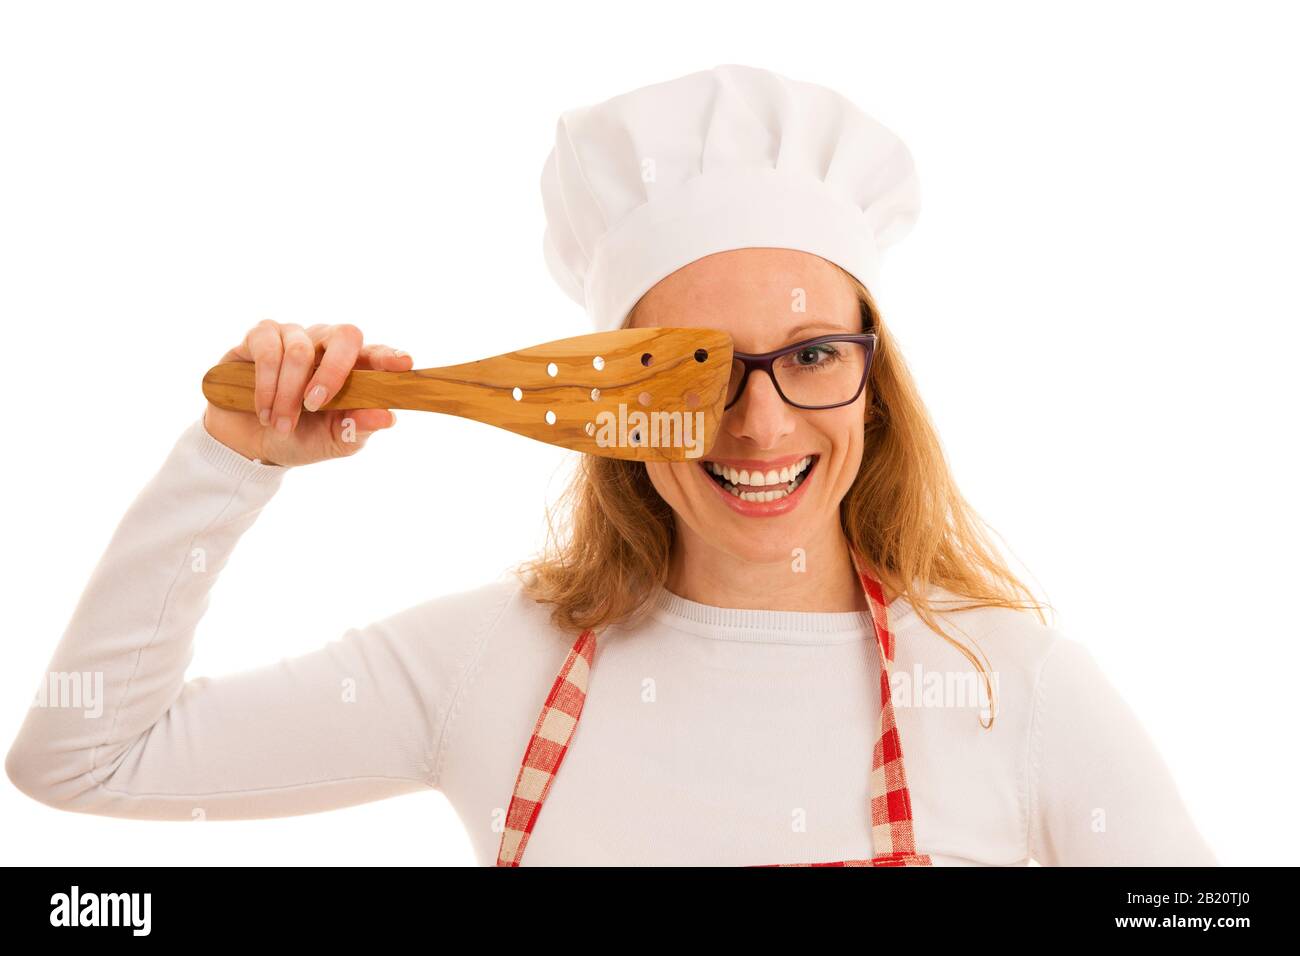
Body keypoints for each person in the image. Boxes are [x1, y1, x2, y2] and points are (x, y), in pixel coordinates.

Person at [5, 64, 1217, 866]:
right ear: (610, 410)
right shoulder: (488, 663)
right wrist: (232, 461)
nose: (759, 426)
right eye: (696, 370)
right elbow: (84, 758)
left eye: (809, 354)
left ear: (873, 378)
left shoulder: (1009, 682)